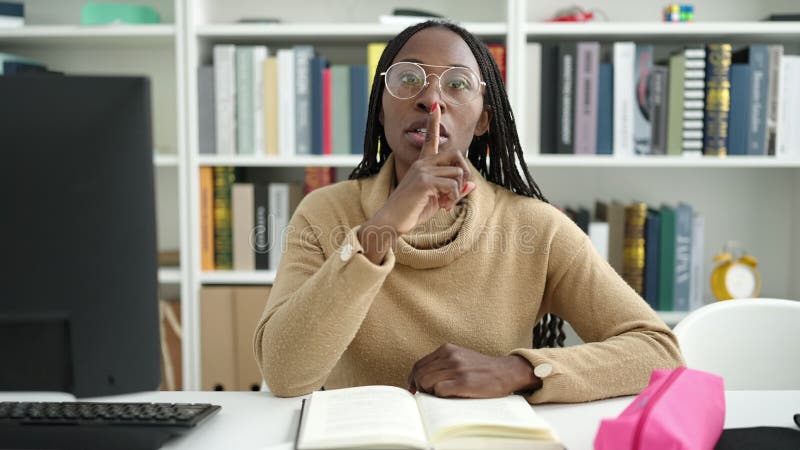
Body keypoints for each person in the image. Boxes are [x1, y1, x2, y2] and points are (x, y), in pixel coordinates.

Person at [254, 20, 683, 403]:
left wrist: (518, 370)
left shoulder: (536, 227)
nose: (430, 99)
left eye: (457, 84)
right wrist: (382, 228)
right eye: (409, 79)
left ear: (483, 120)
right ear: (380, 108)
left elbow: (659, 352)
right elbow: (285, 375)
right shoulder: (323, 213)